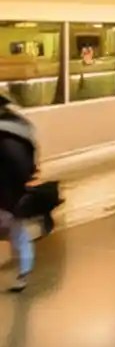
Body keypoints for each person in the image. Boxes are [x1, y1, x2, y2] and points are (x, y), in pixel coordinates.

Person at [0, 93, 37, 291]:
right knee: (18, 233)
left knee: (15, 231)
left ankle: (22, 271)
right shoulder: (21, 126)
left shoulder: (3, 134)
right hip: (16, 190)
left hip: (5, 191)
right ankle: (23, 273)